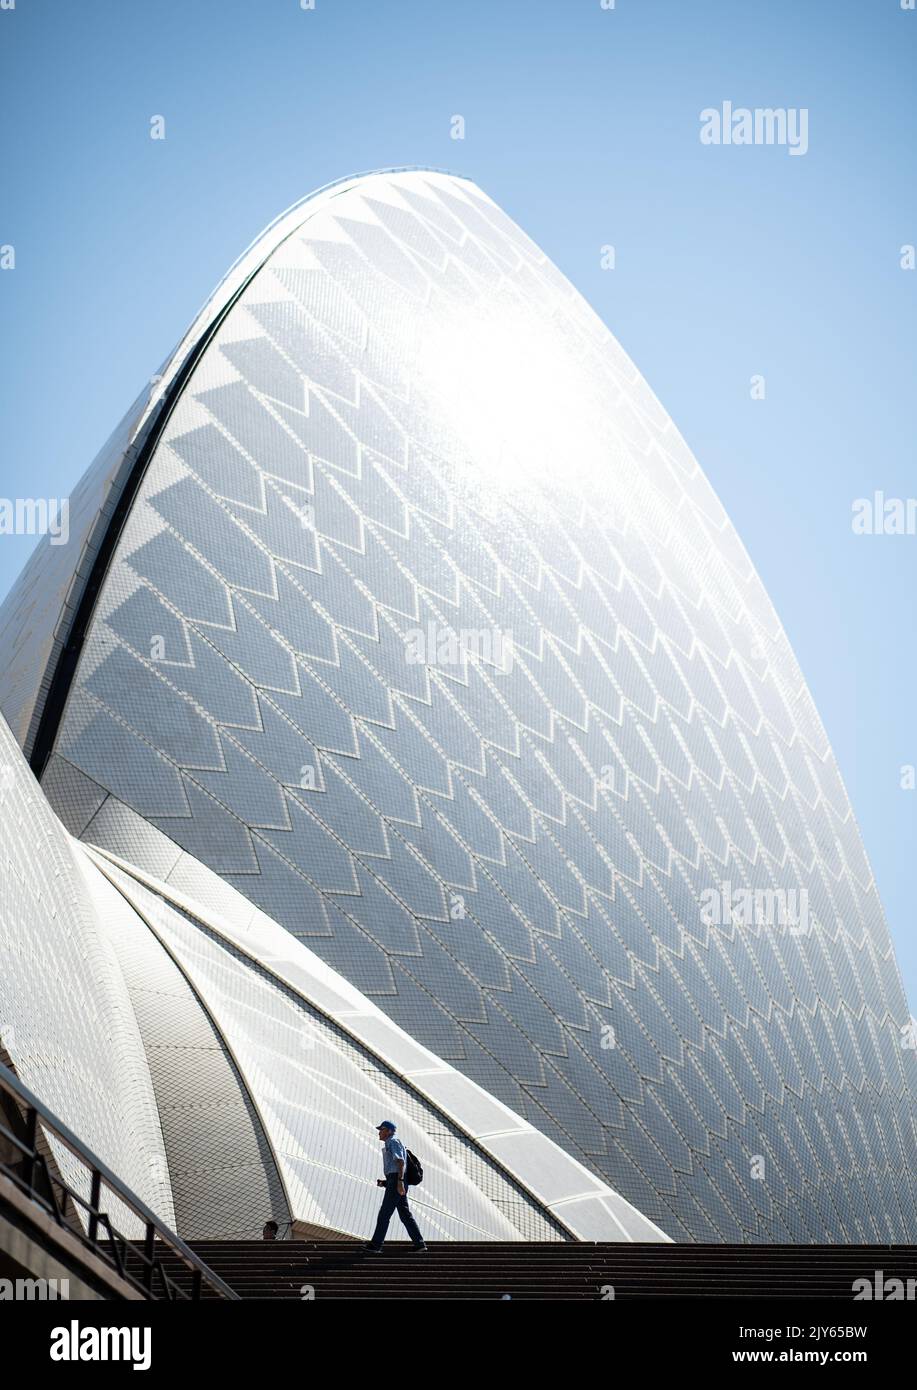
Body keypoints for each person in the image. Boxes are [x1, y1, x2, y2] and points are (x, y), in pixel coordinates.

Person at [365, 1120, 427, 1254]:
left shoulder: (393, 1141)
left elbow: (400, 1162)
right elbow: (395, 1167)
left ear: (389, 1131)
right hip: (394, 1180)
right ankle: (419, 1244)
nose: (379, 1132)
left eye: (382, 1130)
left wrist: (399, 1181)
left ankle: (376, 1245)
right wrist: (386, 1182)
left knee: (384, 1214)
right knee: (405, 1215)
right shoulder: (391, 1142)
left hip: (397, 1181)